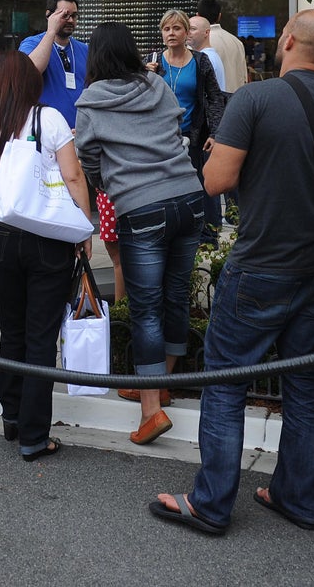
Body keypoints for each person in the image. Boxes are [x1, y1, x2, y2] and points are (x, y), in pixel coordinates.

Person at [150, 10, 314, 534]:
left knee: (225, 383)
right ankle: (303, 500)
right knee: (306, 383)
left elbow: (216, 180)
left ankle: (211, 504)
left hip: (262, 266)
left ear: (287, 41)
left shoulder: (255, 98)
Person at [74, 22, 204, 446]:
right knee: (175, 293)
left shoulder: (92, 100)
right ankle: (161, 381)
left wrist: (106, 183)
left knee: (146, 308)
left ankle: (152, 410)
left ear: (95, 57)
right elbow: (177, 127)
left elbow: (87, 156)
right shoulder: (157, 84)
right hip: (189, 197)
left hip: (142, 207)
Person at [0, 53, 93, 461]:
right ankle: (34, 435)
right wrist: (84, 226)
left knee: (12, 330)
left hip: (1, 235)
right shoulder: (50, 119)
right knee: (41, 333)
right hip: (48, 237)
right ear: (32, 83)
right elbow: (73, 176)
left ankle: (11, 416)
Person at [149, 9, 225, 244]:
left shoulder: (200, 61)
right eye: (166, 29)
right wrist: (144, 78)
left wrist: (215, 132)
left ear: (186, 32)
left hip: (193, 134)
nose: (171, 33)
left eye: (176, 28)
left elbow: (215, 97)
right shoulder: (153, 61)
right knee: (165, 185)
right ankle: (171, 231)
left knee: (201, 184)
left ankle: (208, 234)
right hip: (161, 137)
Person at [20, 0, 88, 126]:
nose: (70, 20)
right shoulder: (32, 44)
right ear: (49, 15)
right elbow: (31, 71)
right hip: (46, 129)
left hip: (78, 129)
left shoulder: (84, 49)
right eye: (64, 15)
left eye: (74, 16)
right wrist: (51, 31)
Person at [199, 0, 249, 94]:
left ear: (198, 16)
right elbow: (244, 78)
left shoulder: (198, 43)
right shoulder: (237, 42)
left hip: (212, 104)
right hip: (236, 102)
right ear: (219, 16)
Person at [187, 14, 227, 92]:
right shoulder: (210, 56)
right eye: (186, 29)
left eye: (193, 29)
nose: (188, 33)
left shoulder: (205, 58)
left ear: (206, 32)